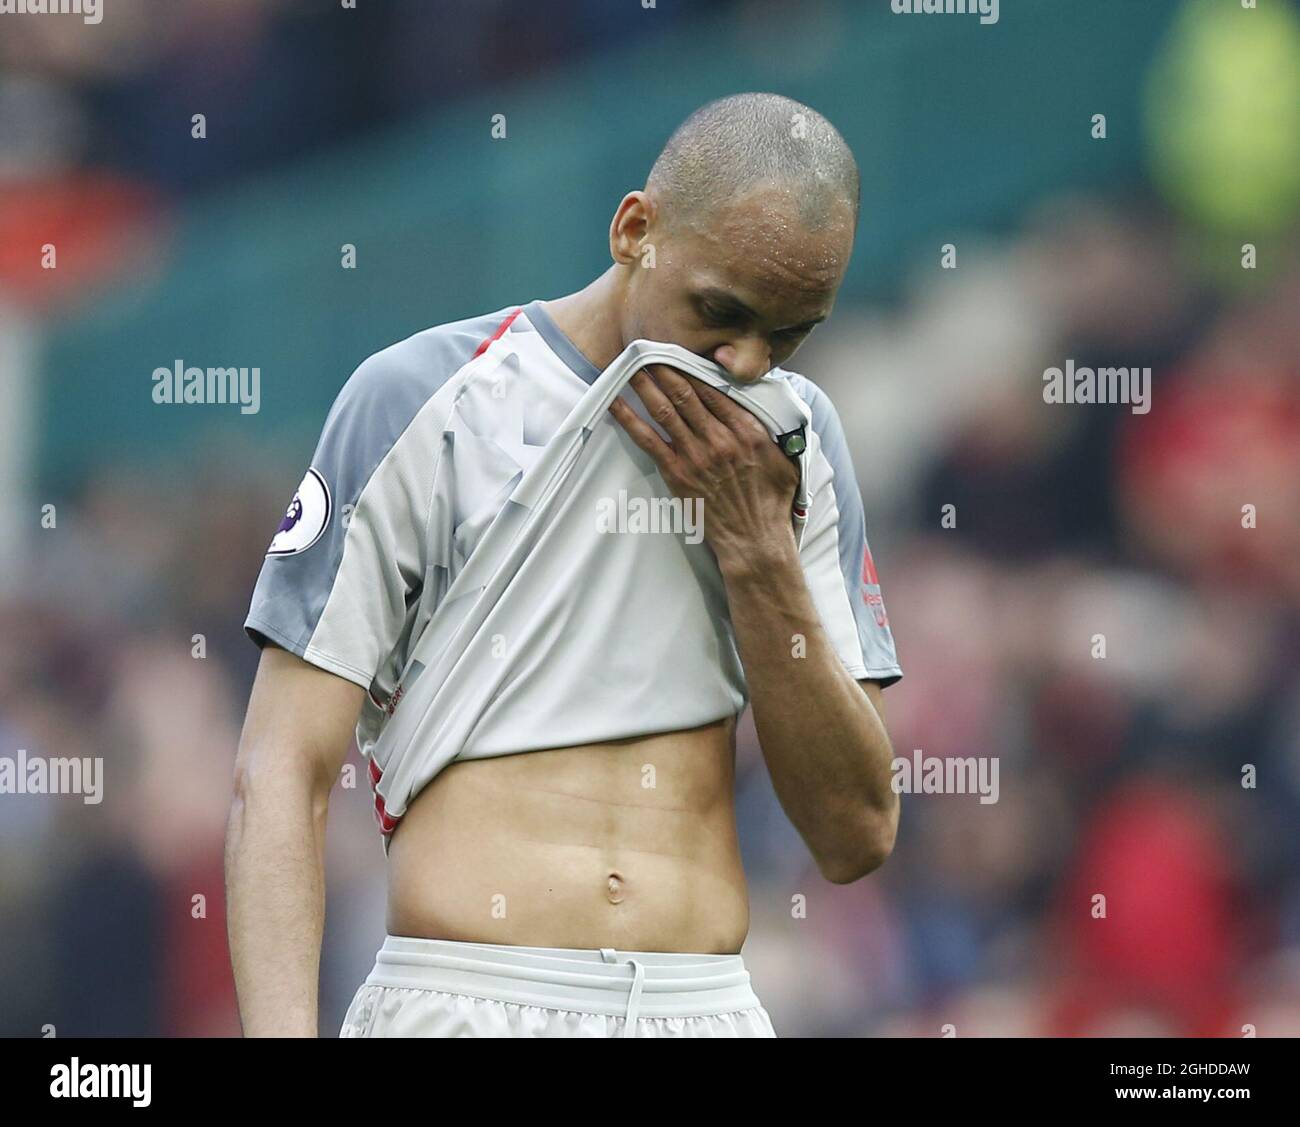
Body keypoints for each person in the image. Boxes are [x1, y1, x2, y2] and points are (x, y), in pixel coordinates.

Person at [225, 92, 902, 1038]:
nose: (743, 360)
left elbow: (855, 832)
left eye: (789, 333)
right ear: (636, 230)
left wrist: (756, 551)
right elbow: (281, 771)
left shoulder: (798, 444)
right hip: (465, 997)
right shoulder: (420, 398)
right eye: (720, 310)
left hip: (699, 1008)